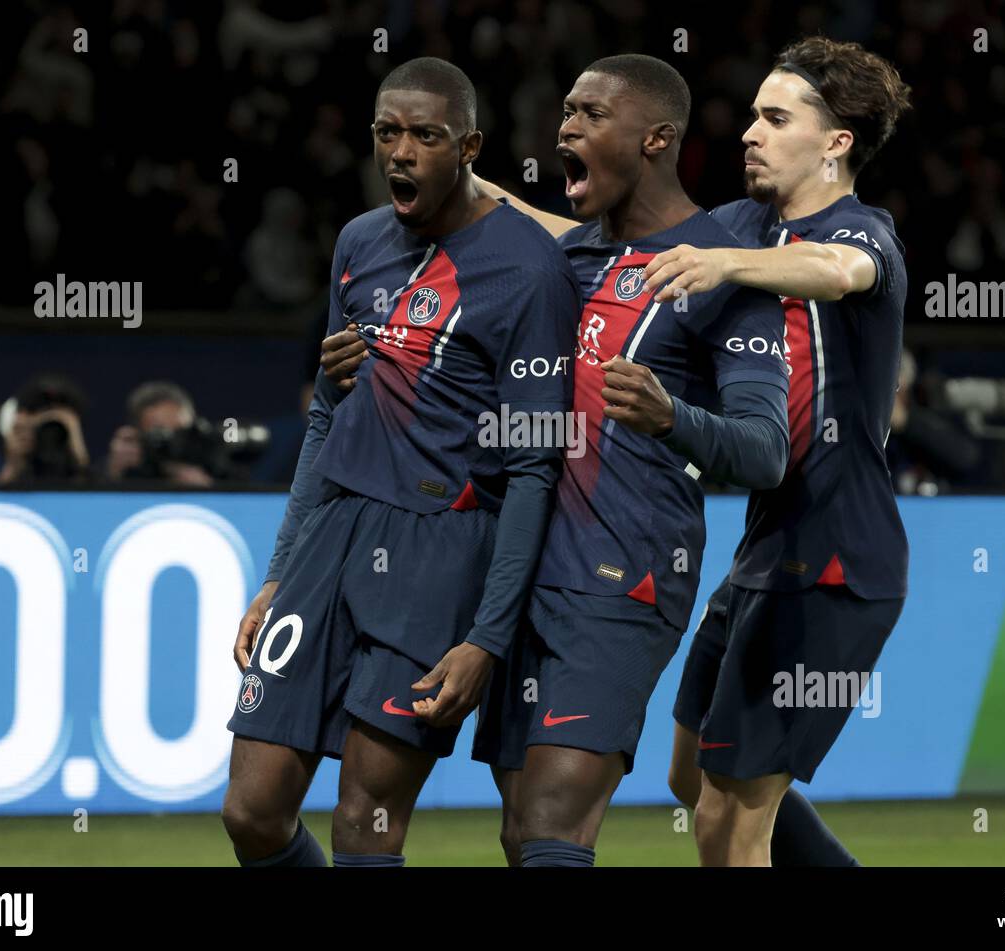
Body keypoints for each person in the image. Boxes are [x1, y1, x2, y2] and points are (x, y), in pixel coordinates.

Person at [324, 54, 790, 867]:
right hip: (513, 573)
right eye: (565, 110)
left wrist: (672, 416)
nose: (565, 127)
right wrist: (381, 364)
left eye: (589, 114)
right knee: (521, 833)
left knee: (548, 824)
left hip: (621, 575)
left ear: (655, 138)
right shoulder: (562, 261)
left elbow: (766, 451)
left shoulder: (718, 272)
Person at [471, 36, 912, 866]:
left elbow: (838, 271)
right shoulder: (742, 225)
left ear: (837, 142)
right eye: (752, 114)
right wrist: (490, 200)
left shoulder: (860, 233)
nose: (750, 131)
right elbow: (596, 240)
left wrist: (724, 262)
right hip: (765, 548)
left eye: (776, 118)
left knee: (728, 820)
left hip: (837, 555)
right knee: (689, 778)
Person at [221, 57, 579, 868]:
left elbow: (533, 470)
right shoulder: (358, 244)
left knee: (367, 818)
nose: (403, 152)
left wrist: (487, 637)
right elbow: (324, 421)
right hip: (331, 539)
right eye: (389, 132)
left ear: (469, 146)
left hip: (439, 549)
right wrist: (280, 572)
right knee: (251, 810)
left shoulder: (528, 270)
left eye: (427, 135)